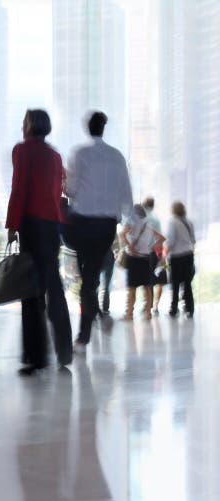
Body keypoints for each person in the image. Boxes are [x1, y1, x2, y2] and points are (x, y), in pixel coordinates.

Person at [5, 109, 73, 374]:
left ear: (30, 125)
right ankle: (64, 348)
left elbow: (19, 187)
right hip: (52, 225)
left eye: (24, 122)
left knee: (31, 291)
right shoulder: (55, 156)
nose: (22, 126)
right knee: (53, 285)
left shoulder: (22, 151)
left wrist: (12, 226)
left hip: (32, 224)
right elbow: (57, 192)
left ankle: (36, 356)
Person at [65, 111, 133, 354]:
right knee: (91, 276)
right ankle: (96, 321)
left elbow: (71, 189)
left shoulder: (79, 154)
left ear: (88, 128)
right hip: (106, 226)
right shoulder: (117, 156)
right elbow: (126, 194)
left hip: (82, 223)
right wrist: (128, 219)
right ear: (103, 128)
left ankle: (86, 334)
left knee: (88, 278)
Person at [119, 204, 164, 321]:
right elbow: (162, 238)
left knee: (131, 287)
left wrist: (130, 246)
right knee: (147, 287)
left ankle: (129, 313)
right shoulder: (148, 223)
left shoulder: (131, 221)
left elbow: (122, 234)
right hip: (145, 258)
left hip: (133, 258)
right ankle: (148, 313)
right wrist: (151, 247)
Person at [165, 201, 196, 318]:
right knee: (187, 283)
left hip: (176, 257)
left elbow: (171, 241)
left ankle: (173, 309)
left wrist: (165, 252)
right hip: (188, 255)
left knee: (175, 283)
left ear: (173, 210)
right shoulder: (189, 222)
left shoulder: (172, 222)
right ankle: (190, 308)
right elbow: (193, 240)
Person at [142, 197, 167, 314]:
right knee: (159, 278)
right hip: (157, 251)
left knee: (147, 279)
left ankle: (148, 304)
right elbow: (161, 237)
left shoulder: (142, 218)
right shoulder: (156, 218)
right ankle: (155, 305)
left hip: (145, 252)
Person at [98, 237, 119, 316]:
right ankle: (105, 308)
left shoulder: (90, 225)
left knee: (94, 283)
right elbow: (116, 243)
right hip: (108, 255)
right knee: (106, 285)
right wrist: (116, 252)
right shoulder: (108, 224)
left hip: (95, 255)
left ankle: (94, 307)